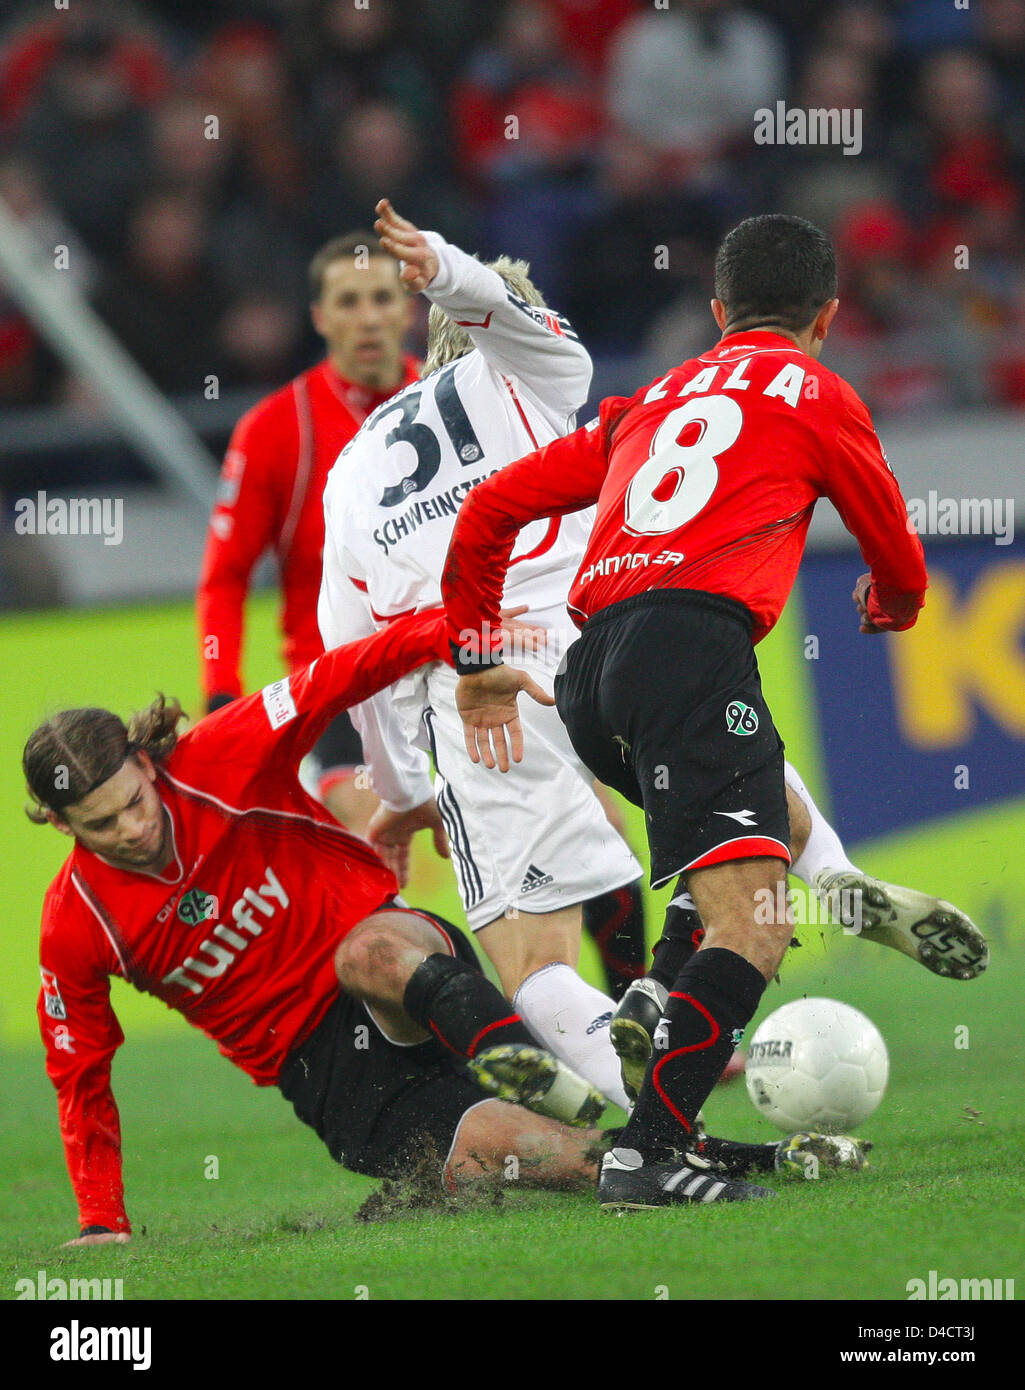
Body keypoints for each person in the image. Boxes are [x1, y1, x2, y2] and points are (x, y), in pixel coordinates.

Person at [441, 213, 988, 1208]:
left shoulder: (643, 399)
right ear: (825, 314)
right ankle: (646, 1153)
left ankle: (661, 979)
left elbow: (485, 516)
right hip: (691, 649)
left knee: (760, 822)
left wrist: (475, 662)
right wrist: (894, 604)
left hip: (586, 672)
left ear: (714, 312)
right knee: (759, 921)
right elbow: (892, 543)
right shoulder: (817, 390)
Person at [26, 609, 864, 1243]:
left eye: (134, 803)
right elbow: (80, 1077)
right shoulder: (77, 925)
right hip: (330, 1077)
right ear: (63, 825)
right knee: (560, 1159)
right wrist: (102, 1222)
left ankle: (526, 1064)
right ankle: (754, 1158)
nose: (131, 831)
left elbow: (345, 670)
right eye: (101, 826)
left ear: (146, 762)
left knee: (371, 951)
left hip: (410, 968)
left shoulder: (220, 752)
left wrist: (457, 633)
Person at [319, 200, 646, 1111]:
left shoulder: (351, 469)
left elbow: (355, 659)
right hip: (596, 647)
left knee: (531, 966)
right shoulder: (545, 383)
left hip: (470, 697)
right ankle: (803, 886)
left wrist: (397, 795)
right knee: (715, 822)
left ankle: (639, 1119)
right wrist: (450, 269)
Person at [196, 231, 421, 837]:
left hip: (459, 662)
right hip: (342, 690)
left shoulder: (457, 401)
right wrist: (222, 695)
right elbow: (224, 578)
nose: (368, 318)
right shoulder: (272, 430)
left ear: (409, 308)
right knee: (376, 835)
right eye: (348, 302)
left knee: (597, 831)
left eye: (382, 297)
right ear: (320, 318)